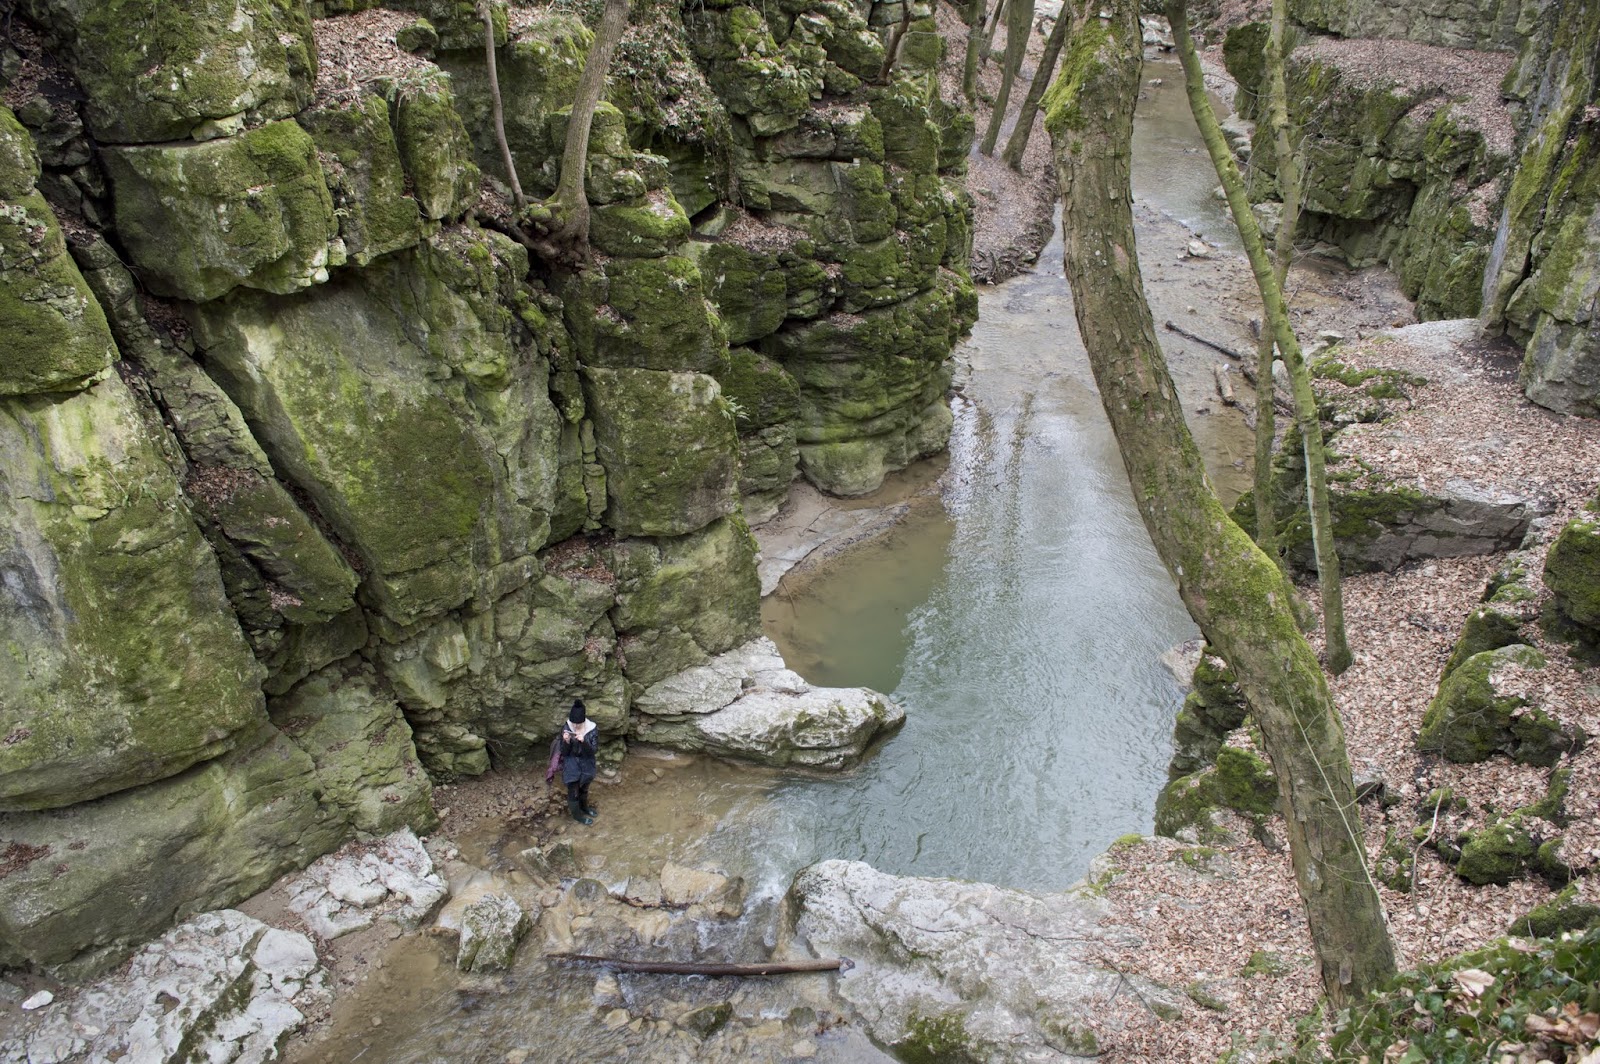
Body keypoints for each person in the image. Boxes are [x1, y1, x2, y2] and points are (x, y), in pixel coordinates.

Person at [560, 699, 598, 824]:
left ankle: (584, 808)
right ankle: (577, 816)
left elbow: (593, 751)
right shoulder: (566, 727)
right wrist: (566, 742)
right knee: (574, 791)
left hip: (587, 763)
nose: (575, 727)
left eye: (578, 724)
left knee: (584, 788)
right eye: (573, 724)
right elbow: (564, 752)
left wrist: (584, 741)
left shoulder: (592, 729)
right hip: (571, 763)